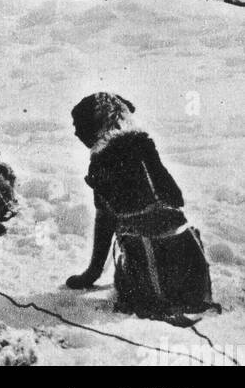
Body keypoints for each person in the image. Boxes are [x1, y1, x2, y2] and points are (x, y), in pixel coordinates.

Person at [66, 93, 216, 321]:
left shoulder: (102, 160)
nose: (76, 133)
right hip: (193, 280)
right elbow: (176, 198)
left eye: (78, 125)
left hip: (150, 283)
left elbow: (105, 223)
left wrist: (91, 275)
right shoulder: (145, 147)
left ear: (93, 126)